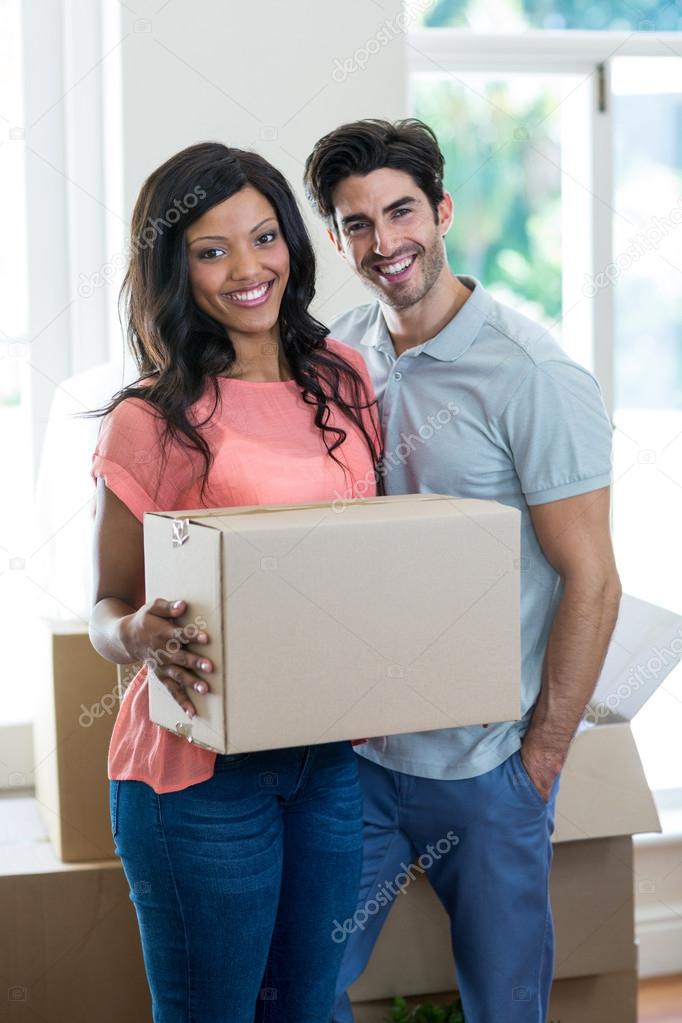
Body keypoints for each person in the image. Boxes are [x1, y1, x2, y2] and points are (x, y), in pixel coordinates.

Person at [304, 119, 622, 1023]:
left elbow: (592, 580)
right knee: (295, 987)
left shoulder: (532, 376)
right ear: (335, 238)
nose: (383, 241)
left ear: (442, 211)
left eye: (401, 210)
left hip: (487, 765)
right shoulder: (340, 354)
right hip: (357, 753)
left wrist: (542, 758)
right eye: (356, 222)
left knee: (505, 1002)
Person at [88, 141, 383, 1023]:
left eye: (264, 237)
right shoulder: (151, 416)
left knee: (312, 1010)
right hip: (197, 776)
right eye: (212, 250)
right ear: (177, 268)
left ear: (293, 240)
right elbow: (104, 608)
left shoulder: (344, 379)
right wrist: (134, 632)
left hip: (327, 758)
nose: (248, 269)